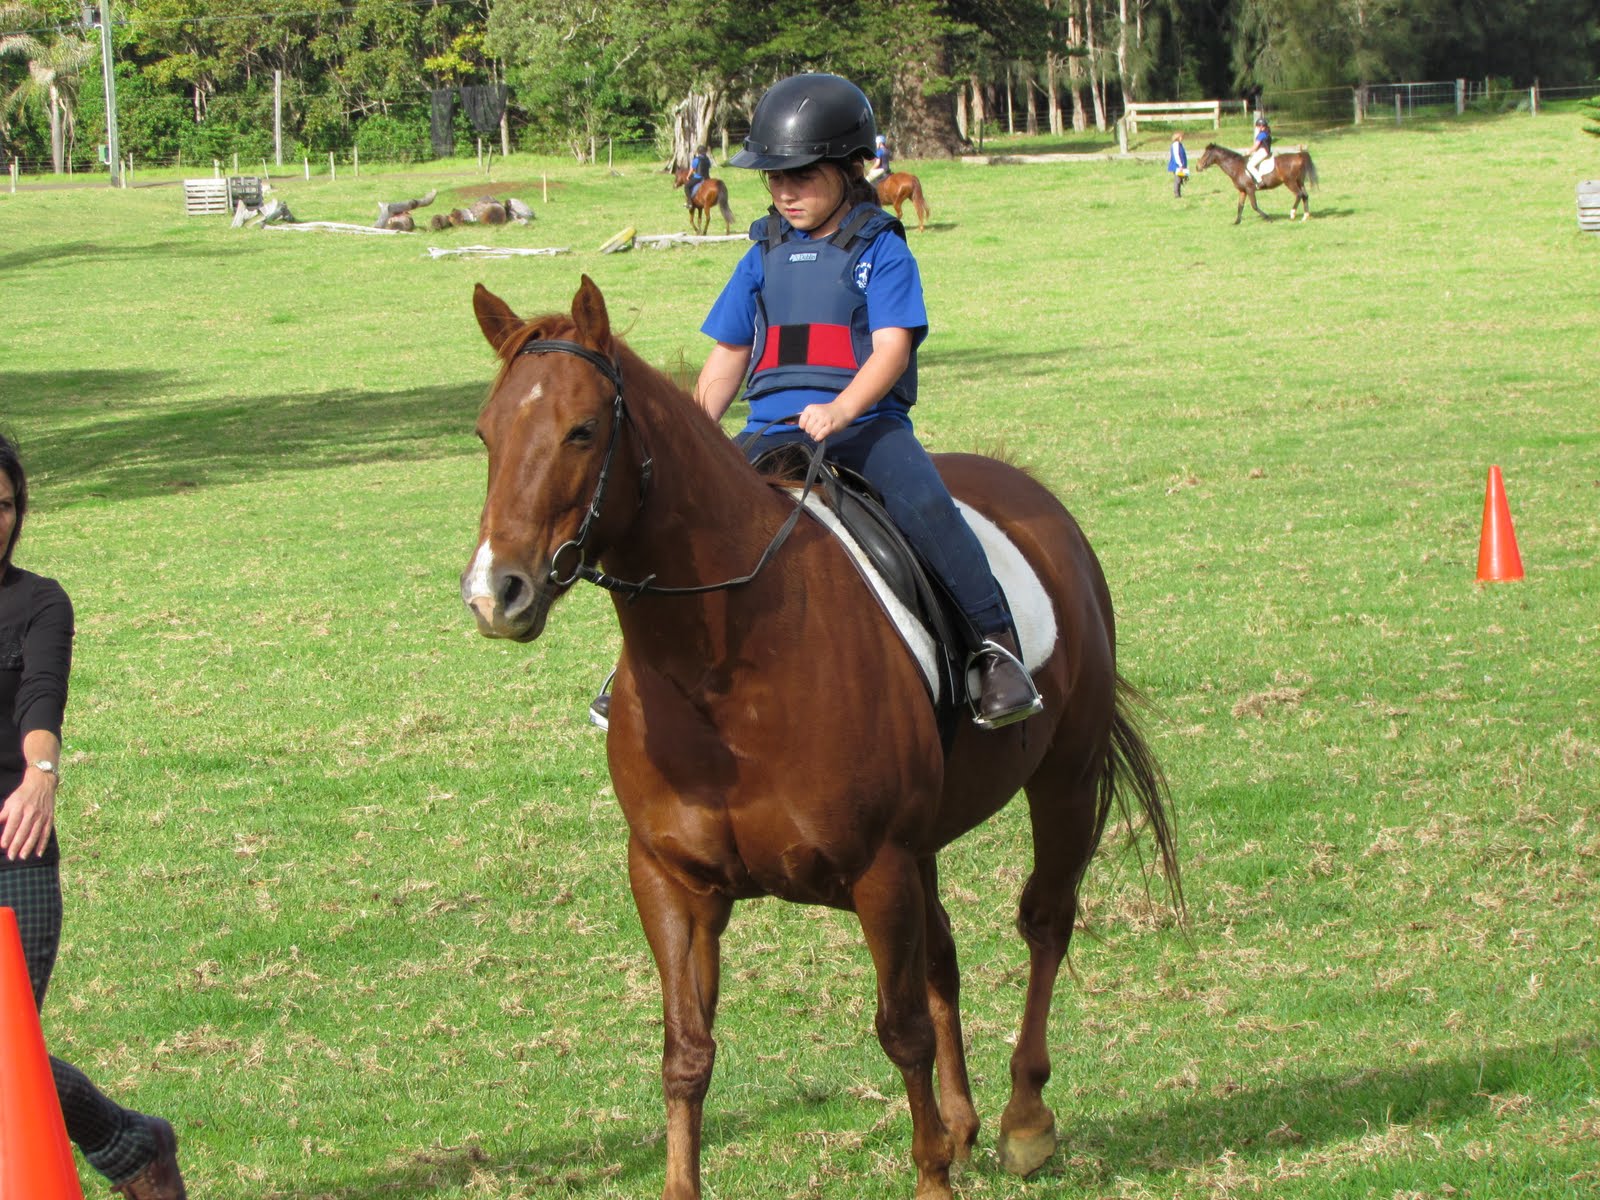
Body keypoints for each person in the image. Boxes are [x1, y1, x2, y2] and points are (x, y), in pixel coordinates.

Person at [588, 74, 1040, 731]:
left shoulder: (880, 247)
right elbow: (729, 355)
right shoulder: (761, 254)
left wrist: (844, 410)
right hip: (769, 429)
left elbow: (890, 349)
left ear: (847, 168)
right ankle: (639, 665)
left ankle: (994, 648)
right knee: (678, 522)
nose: (784, 192)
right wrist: (693, 430)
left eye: (800, 176)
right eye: (774, 178)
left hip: (864, 429)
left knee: (927, 507)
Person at [0, 432, 189, 1200]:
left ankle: (130, 1144)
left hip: (17, 850)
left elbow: (43, 693)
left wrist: (40, 772)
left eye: (6, 504)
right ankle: (131, 1142)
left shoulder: (40, 601)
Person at [685, 143, 713, 208]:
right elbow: (708, 167)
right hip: (707, 177)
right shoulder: (708, 159)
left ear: (698, 152)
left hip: (698, 178)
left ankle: (689, 202)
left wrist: (688, 176)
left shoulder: (696, 159)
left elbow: (692, 169)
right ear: (705, 152)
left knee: (686, 186)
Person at [1247, 113, 1272, 182]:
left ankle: (1259, 180)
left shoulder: (1261, 135)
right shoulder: (1267, 132)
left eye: (1257, 126)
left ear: (1261, 126)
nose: (1257, 128)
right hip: (1267, 151)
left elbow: (1255, 146)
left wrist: (1248, 151)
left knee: (1250, 166)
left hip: (1262, 151)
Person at [1167, 130, 1188, 197]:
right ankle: (1177, 194)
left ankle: (1178, 193)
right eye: (1181, 137)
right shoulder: (1176, 144)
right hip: (1177, 165)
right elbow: (1176, 155)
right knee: (1177, 179)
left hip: (1180, 165)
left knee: (1180, 179)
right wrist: (1180, 165)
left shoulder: (1179, 144)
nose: (1182, 138)